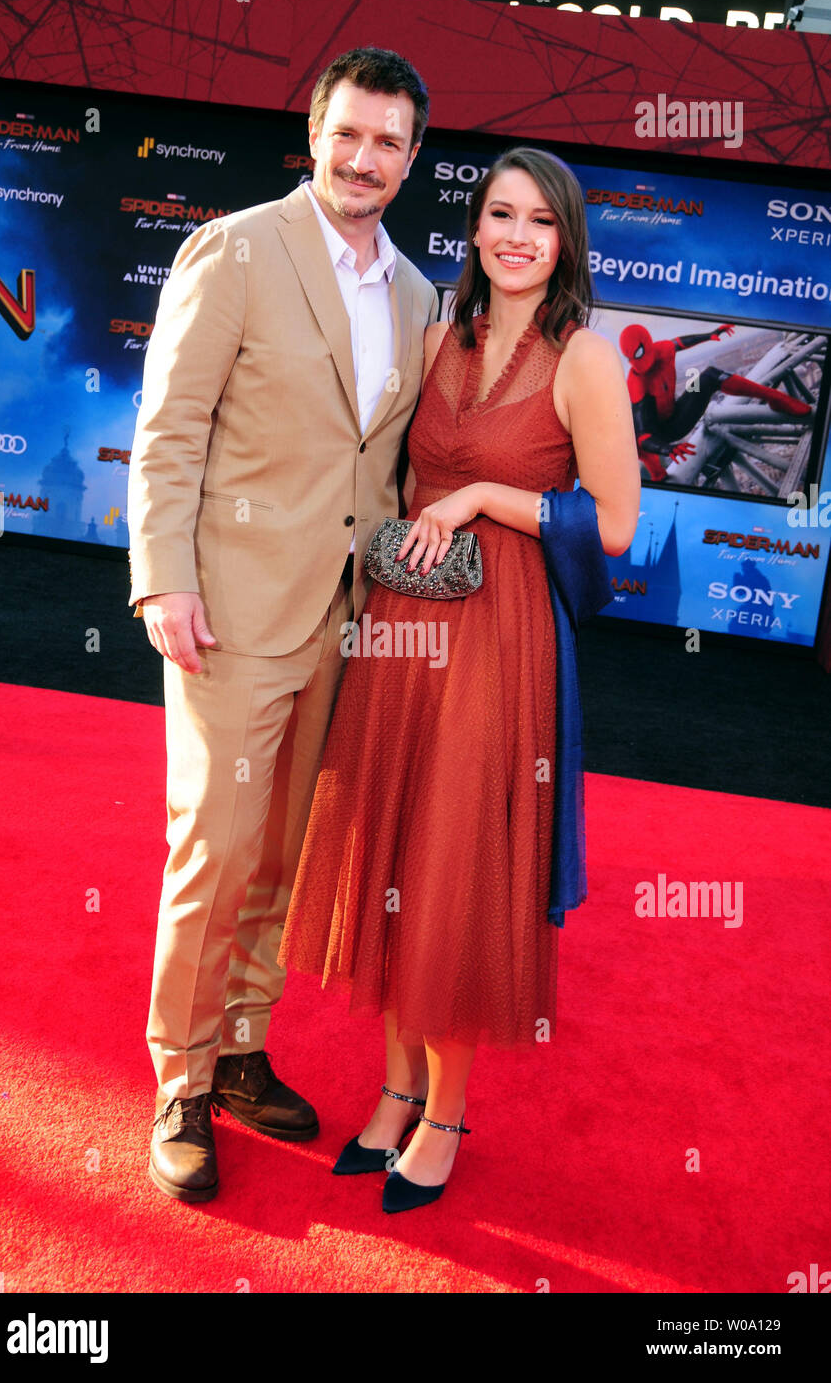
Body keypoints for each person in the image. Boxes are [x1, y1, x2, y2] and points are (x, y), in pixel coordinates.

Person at [277, 145, 642, 1213]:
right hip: (402, 636)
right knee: (391, 848)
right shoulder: (438, 334)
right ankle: (393, 1090)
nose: (517, 235)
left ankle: (444, 1112)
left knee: (452, 867)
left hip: (500, 640)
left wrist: (484, 491)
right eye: (499, 214)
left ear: (566, 239)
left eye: (540, 220)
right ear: (474, 228)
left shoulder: (586, 360)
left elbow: (616, 529)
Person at [126, 46, 438, 1203]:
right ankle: (180, 1079)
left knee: (288, 853)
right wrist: (163, 580)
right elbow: (169, 430)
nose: (364, 160)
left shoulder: (415, 295)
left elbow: (386, 463)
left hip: (344, 622)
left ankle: (245, 1044)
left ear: (412, 160)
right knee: (213, 845)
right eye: (348, 134)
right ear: (314, 134)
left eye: (388, 142)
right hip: (231, 610)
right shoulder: (239, 248)